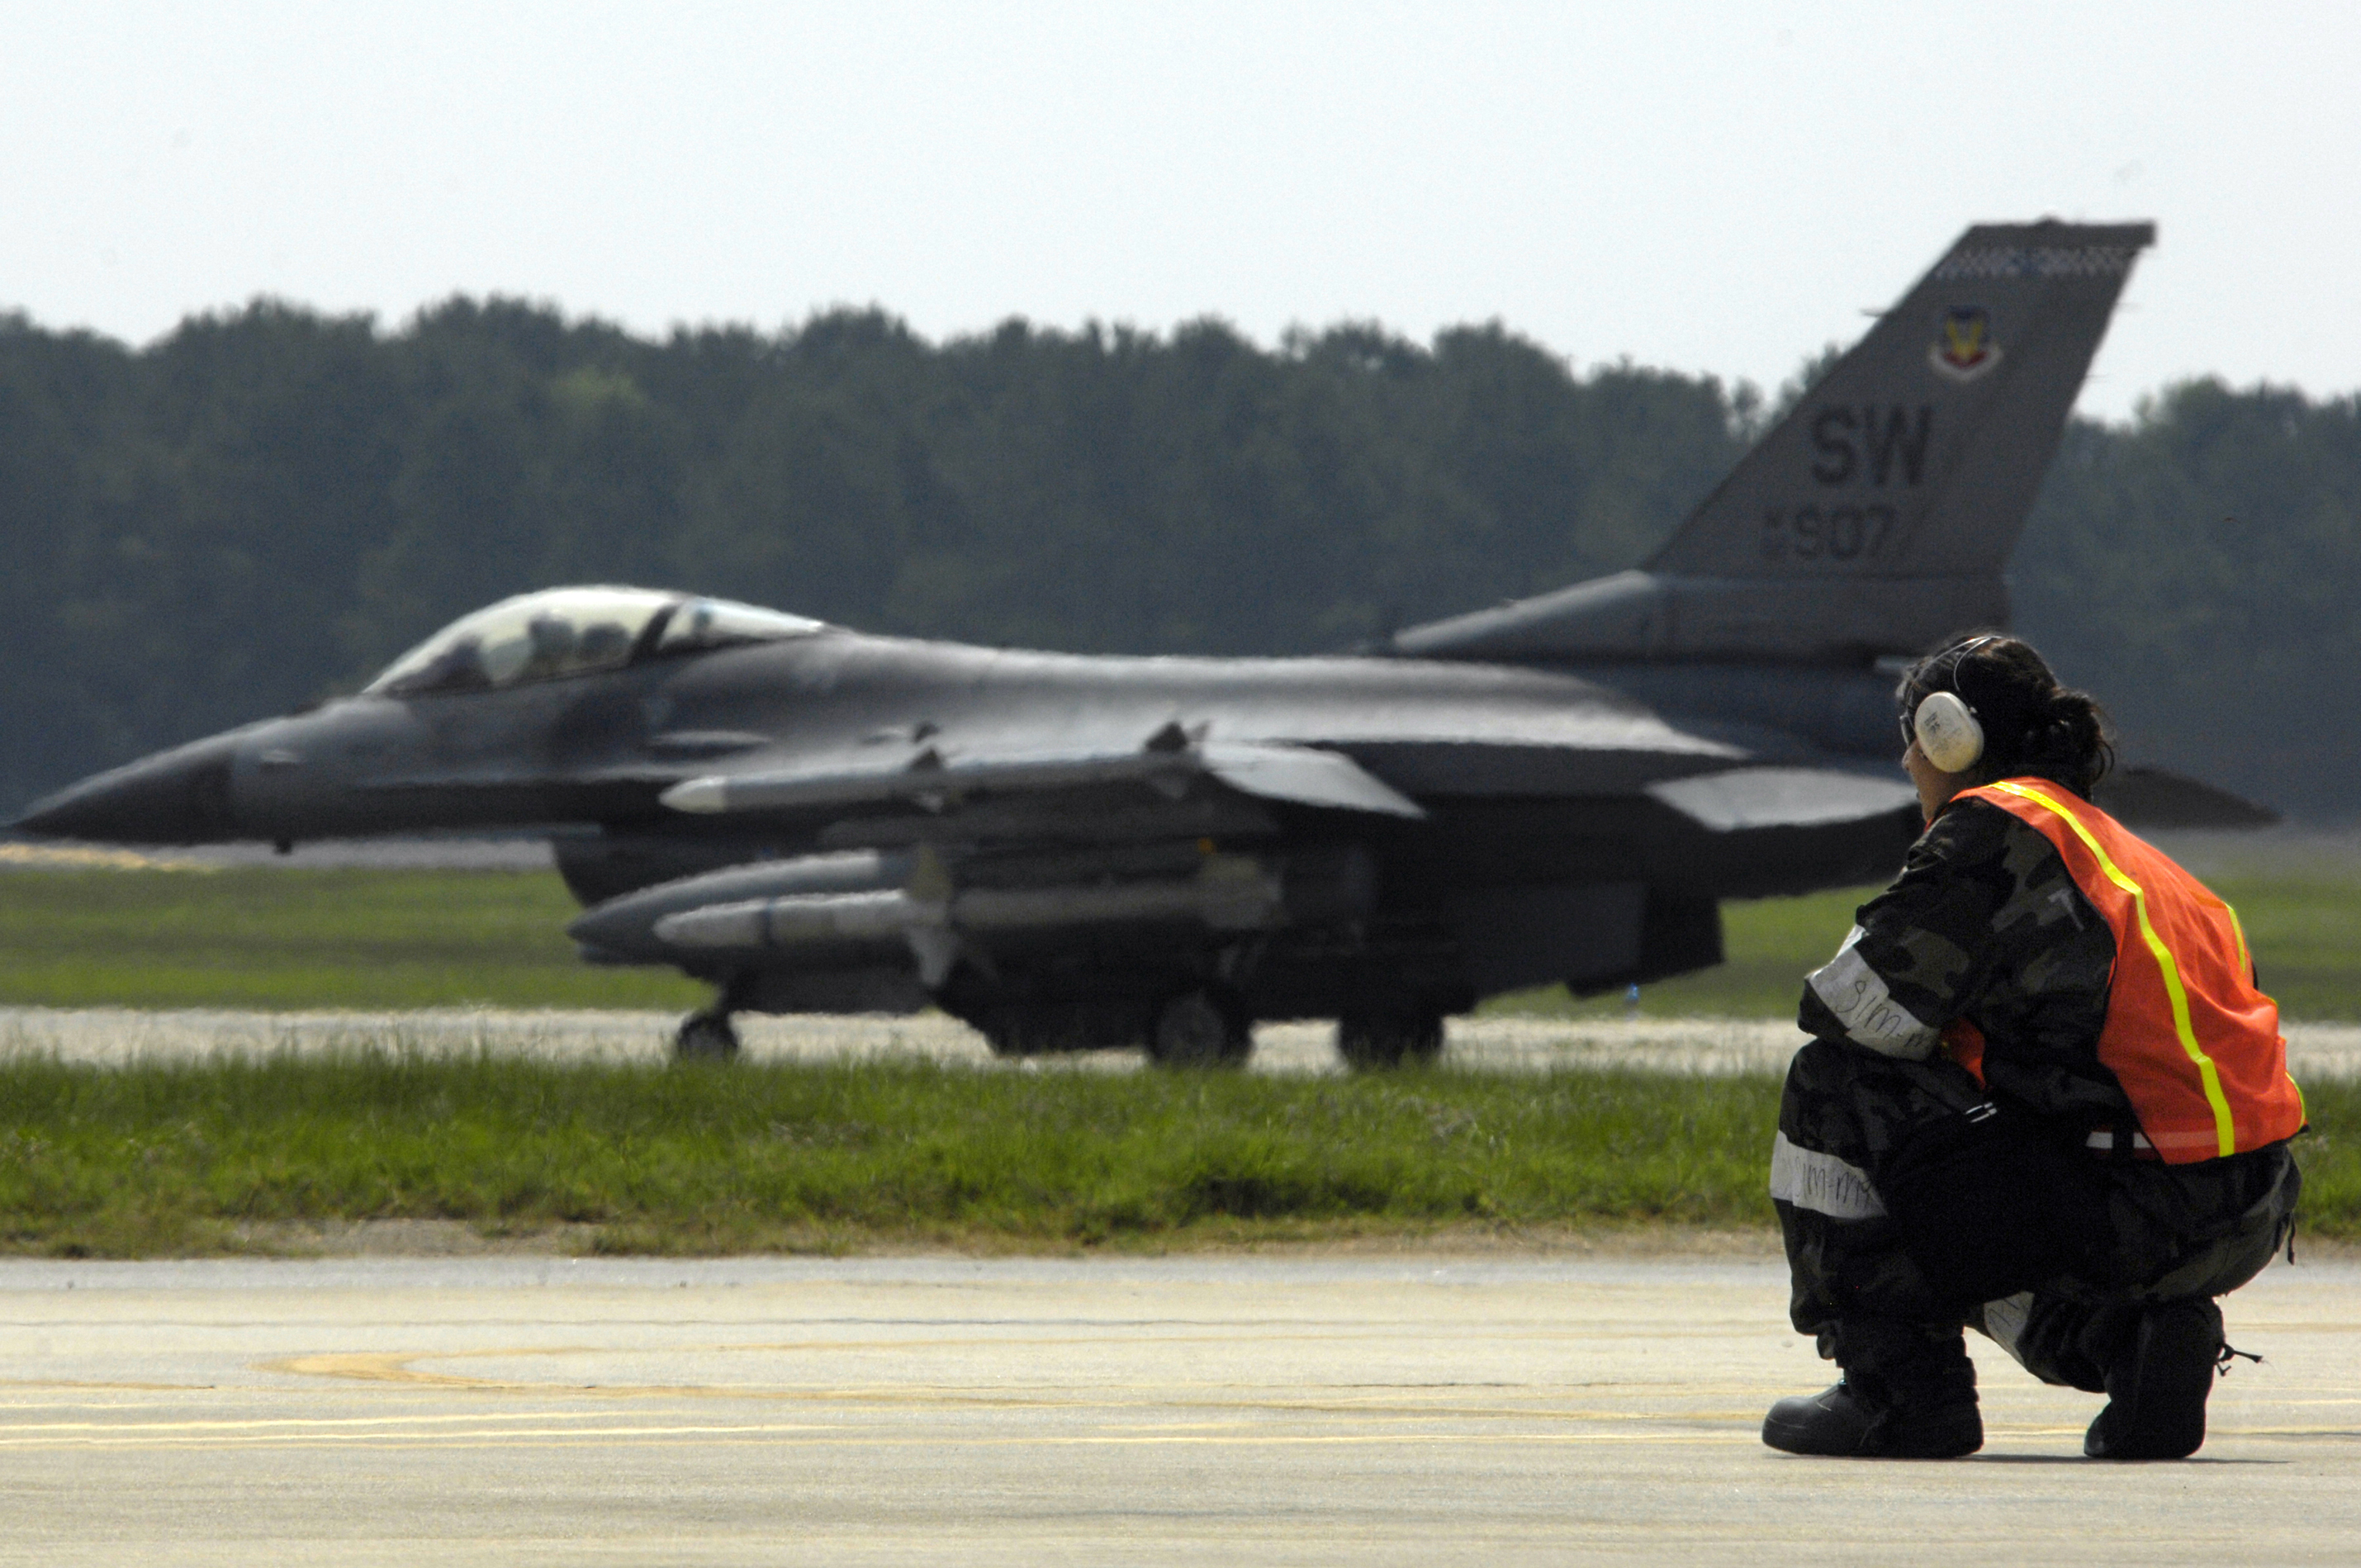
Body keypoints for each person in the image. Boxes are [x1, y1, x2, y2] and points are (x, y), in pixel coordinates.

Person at [1761, 633, 2305, 1461]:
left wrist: (1938, 1037)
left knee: (1838, 1087)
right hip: (2245, 1210)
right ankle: (2129, 1342)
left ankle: (1898, 1394)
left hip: (2125, 1209)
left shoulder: (1993, 830)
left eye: (1915, 735)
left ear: (1951, 737)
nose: (1909, 760)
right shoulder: (2139, 862)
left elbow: (1849, 1008)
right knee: (1980, 1152)